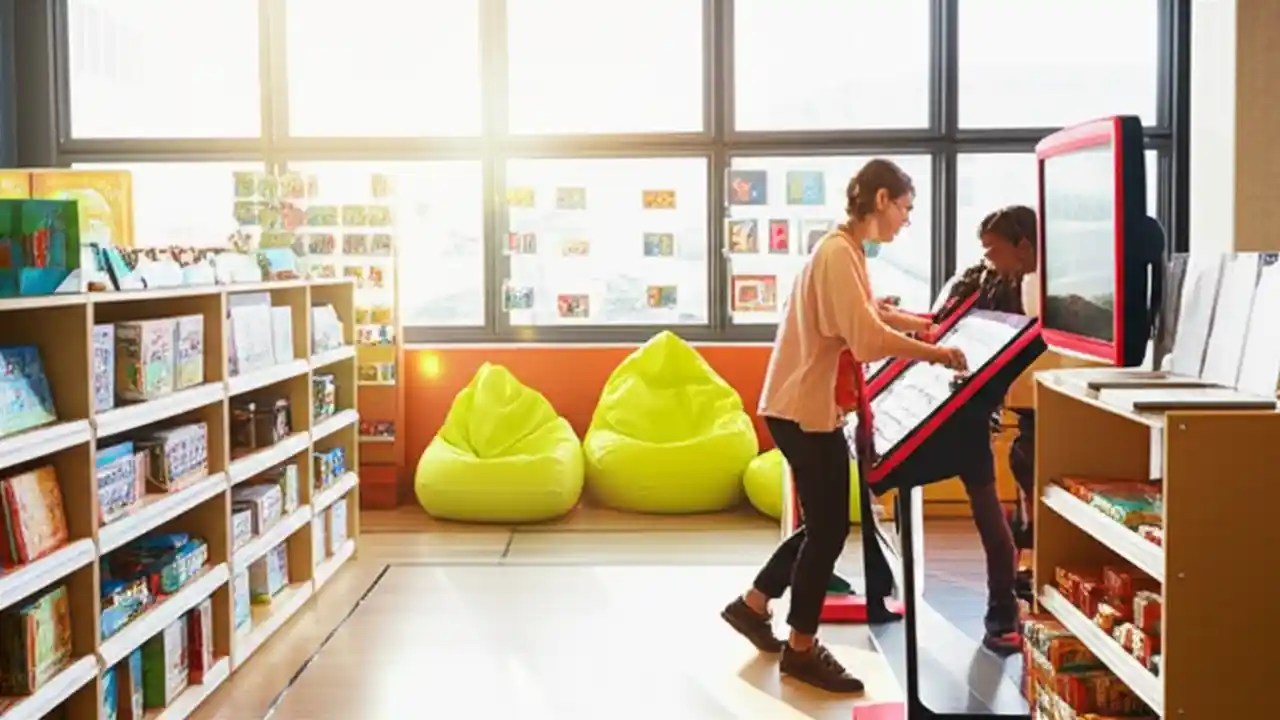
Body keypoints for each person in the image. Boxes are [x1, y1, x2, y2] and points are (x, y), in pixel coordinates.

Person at [720, 159, 968, 694]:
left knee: (824, 525)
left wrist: (922, 323)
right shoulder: (838, 253)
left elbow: (868, 315)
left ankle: (752, 606)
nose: (905, 220)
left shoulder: (843, 250)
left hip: (803, 408)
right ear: (881, 199)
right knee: (830, 530)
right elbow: (867, 340)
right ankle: (801, 650)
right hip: (803, 411)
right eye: (905, 208)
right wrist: (936, 351)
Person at [931, 204, 1039, 653]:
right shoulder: (988, 281)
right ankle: (1001, 614)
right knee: (991, 508)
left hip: (1002, 405)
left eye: (994, 250)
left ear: (1025, 246)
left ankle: (1008, 603)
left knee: (1002, 501)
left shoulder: (1034, 284)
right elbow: (943, 329)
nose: (988, 257)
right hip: (968, 405)